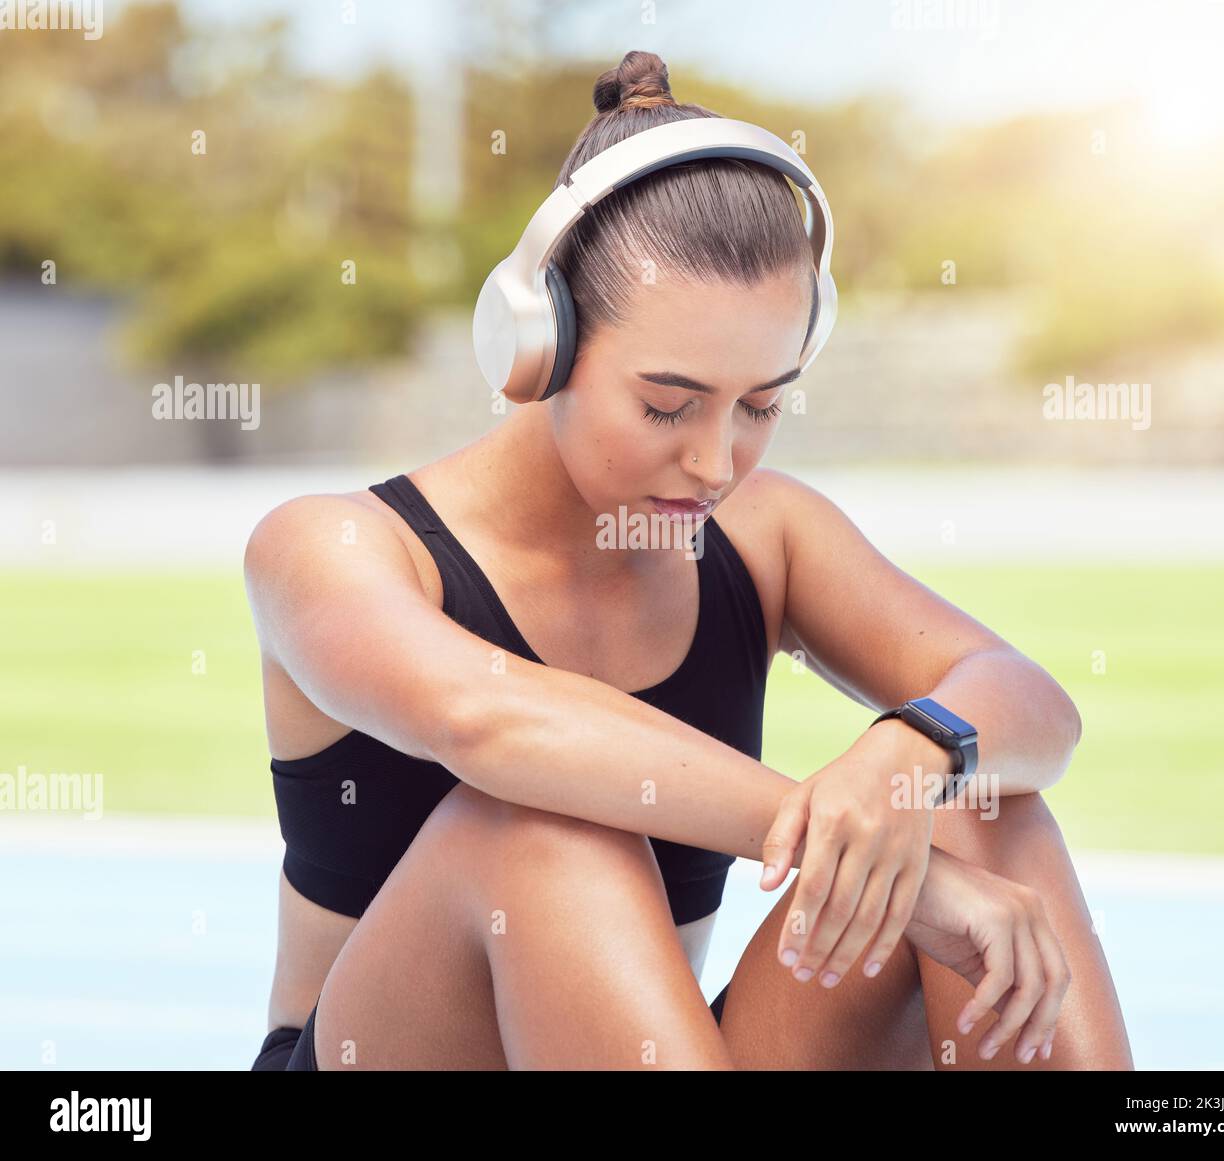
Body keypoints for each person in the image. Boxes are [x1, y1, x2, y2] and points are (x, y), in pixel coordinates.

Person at [246, 50, 1132, 1071]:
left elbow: (1033, 706)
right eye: (667, 404)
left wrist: (906, 759)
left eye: (761, 406)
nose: (715, 463)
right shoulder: (334, 545)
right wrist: (889, 866)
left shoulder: (769, 533)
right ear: (539, 345)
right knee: (541, 831)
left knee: (975, 807)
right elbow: (488, 719)